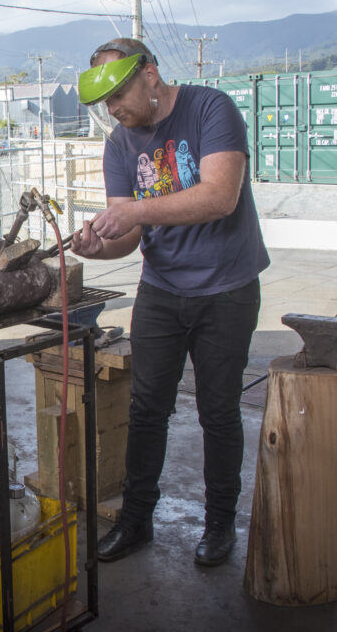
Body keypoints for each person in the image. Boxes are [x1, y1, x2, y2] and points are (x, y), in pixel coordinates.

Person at [73, 39, 269, 567]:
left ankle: (219, 524)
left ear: (151, 77)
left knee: (219, 410)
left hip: (226, 286)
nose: (113, 110)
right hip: (161, 289)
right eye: (104, 103)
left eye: (118, 95)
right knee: (147, 409)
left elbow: (219, 195)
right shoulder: (120, 143)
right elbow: (127, 235)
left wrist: (134, 209)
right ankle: (137, 520)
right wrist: (99, 245)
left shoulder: (211, 108)